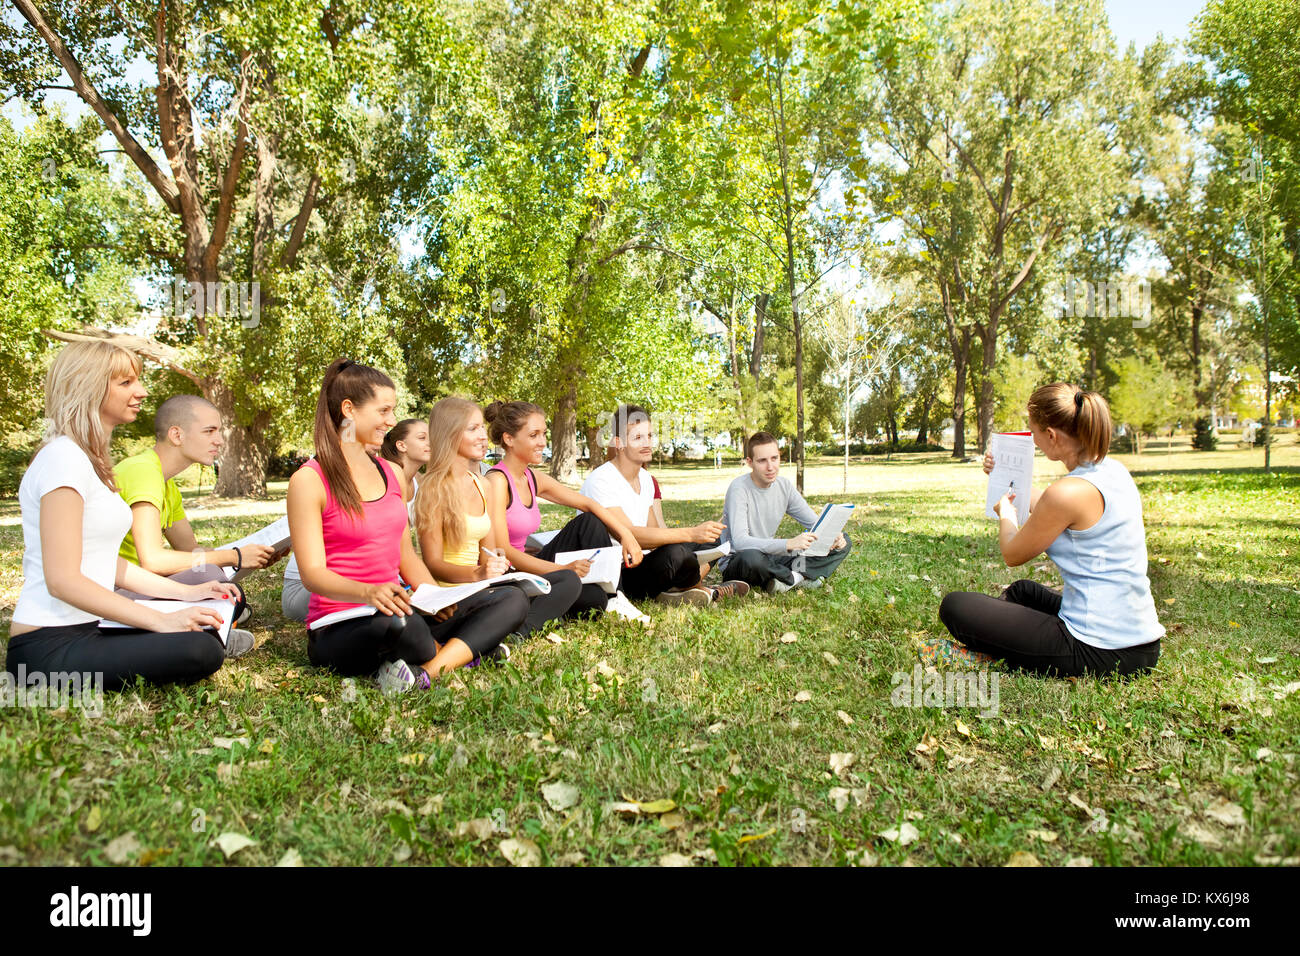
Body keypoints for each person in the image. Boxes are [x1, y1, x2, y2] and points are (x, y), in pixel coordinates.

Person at [5, 341, 241, 692]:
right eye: (126, 383)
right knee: (199, 650)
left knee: (208, 615)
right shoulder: (62, 459)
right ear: (89, 386)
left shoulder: (90, 462)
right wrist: (162, 619)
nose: (142, 392)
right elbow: (62, 580)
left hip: (91, 627)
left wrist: (185, 594)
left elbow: (107, 564)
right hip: (47, 646)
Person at [287, 360, 528, 690]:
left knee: (510, 598)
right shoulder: (308, 481)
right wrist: (368, 592)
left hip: (403, 606)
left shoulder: (391, 473)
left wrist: (436, 599)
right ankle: (467, 654)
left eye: (392, 410)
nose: (390, 420)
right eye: (384, 410)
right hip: (343, 624)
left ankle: (429, 670)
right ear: (349, 410)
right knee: (401, 625)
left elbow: (407, 558)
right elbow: (312, 574)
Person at [937, 384, 1164, 678]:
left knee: (955, 606)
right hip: (1141, 642)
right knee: (1023, 591)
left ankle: (1002, 652)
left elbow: (1012, 552)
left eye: (1034, 434)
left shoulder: (1067, 492)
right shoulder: (1112, 471)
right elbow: (1049, 506)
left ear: (1052, 436)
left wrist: (1006, 515)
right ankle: (1007, 639)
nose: (1035, 442)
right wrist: (1002, 472)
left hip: (1099, 649)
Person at [114, 394, 282, 655]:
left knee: (226, 588)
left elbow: (192, 552)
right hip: (114, 592)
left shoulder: (166, 482)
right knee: (211, 577)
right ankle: (211, 633)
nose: (219, 440)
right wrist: (235, 556)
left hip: (143, 587)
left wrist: (255, 555)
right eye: (209, 431)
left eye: (219, 431)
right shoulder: (143, 472)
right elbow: (153, 561)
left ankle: (215, 624)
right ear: (176, 435)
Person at [415, 397, 579, 645]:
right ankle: (503, 629)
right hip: (450, 596)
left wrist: (500, 567)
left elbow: (491, 552)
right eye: (473, 429)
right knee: (514, 599)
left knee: (567, 581)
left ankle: (510, 632)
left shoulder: (482, 484)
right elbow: (433, 562)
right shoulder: (432, 488)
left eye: (482, 427)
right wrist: (477, 573)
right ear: (449, 434)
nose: (483, 436)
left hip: (482, 587)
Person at [483, 401, 644, 626]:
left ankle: (614, 596)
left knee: (588, 525)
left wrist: (625, 534)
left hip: (532, 564)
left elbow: (588, 503)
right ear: (509, 439)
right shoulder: (497, 481)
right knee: (585, 594)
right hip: (510, 574)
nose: (542, 442)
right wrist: (562, 570)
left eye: (543, 434)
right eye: (534, 435)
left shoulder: (531, 477)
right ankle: (551, 605)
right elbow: (504, 551)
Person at [580, 404, 749, 605]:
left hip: (647, 560)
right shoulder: (601, 480)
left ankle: (677, 589)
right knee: (678, 554)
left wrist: (694, 539)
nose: (647, 443)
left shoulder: (646, 479)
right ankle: (697, 587)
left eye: (650, 436)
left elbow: (654, 532)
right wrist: (690, 534)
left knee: (713, 539)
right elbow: (630, 535)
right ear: (619, 443)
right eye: (638, 438)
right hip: (622, 572)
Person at [719, 431, 851, 593]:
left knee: (844, 541)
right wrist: (788, 544)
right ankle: (797, 578)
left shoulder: (784, 486)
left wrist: (831, 535)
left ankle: (788, 579)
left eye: (774, 458)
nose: (770, 467)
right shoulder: (738, 488)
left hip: (771, 557)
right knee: (751, 558)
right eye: (762, 461)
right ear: (750, 462)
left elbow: (814, 523)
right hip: (740, 562)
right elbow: (740, 542)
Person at [379, 418, 431, 525]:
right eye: (422, 438)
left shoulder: (419, 480)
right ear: (402, 446)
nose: (430, 443)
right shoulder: (385, 481)